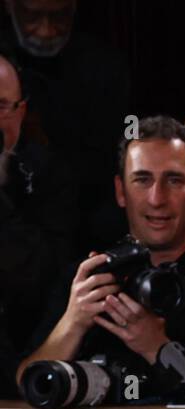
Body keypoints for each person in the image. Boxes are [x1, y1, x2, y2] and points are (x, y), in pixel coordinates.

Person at [16, 116, 185, 405]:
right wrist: (73, 323)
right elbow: (27, 391)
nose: (157, 199)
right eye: (142, 180)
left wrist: (157, 348)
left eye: (174, 180)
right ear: (121, 191)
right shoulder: (87, 282)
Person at [0, 0, 131, 249]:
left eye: (60, 16)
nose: (46, 31)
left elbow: (131, 125)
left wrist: (137, 144)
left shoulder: (106, 67)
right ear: (9, 5)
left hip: (89, 216)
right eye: (31, 17)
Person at [0, 47, 77, 382]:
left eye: (1, 106)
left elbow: (41, 273)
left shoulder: (48, 173)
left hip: (29, 352)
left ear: (21, 111)